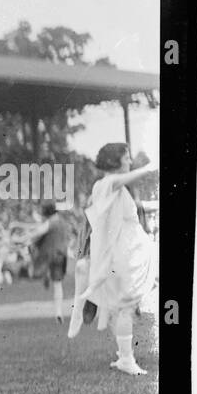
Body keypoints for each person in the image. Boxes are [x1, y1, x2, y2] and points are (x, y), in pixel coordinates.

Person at [68, 143, 159, 374]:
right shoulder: (108, 183)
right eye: (126, 157)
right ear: (115, 162)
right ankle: (127, 359)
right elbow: (126, 179)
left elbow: (132, 209)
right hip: (126, 254)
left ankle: (123, 355)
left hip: (128, 251)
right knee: (126, 308)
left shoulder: (108, 188)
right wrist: (151, 168)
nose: (129, 161)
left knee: (123, 308)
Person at [20, 200, 71, 324]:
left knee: (36, 270)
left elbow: (39, 232)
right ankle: (58, 312)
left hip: (50, 255)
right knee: (58, 283)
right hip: (62, 255)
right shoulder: (62, 222)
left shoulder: (51, 222)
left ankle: (46, 276)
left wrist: (24, 238)